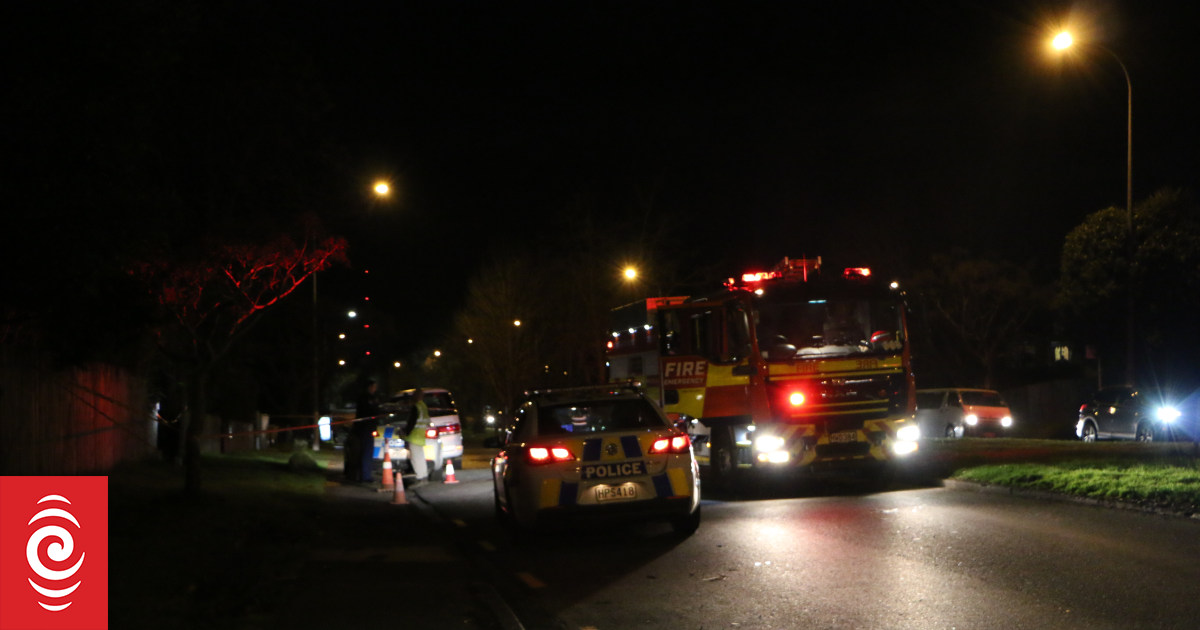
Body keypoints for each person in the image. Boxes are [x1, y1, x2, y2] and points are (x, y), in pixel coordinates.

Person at [349, 378, 381, 483]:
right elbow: (372, 412)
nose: (375, 389)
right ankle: (365, 476)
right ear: (370, 387)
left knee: (362, 452)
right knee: (366, 452)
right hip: (366, 428)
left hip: (362, 428)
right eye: (374, 387)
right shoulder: (367, 398)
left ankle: (360, 475)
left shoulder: (365, 397)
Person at [404, 387, 431, 485]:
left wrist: (405, 433)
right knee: (420, 457)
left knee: (415, 458)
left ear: (416, 396)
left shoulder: (416, 407)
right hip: (421, 436)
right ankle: (424, 477)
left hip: (414, 436)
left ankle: (419, 478)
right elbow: (427, 421)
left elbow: (411, 422)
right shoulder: (423, 406)